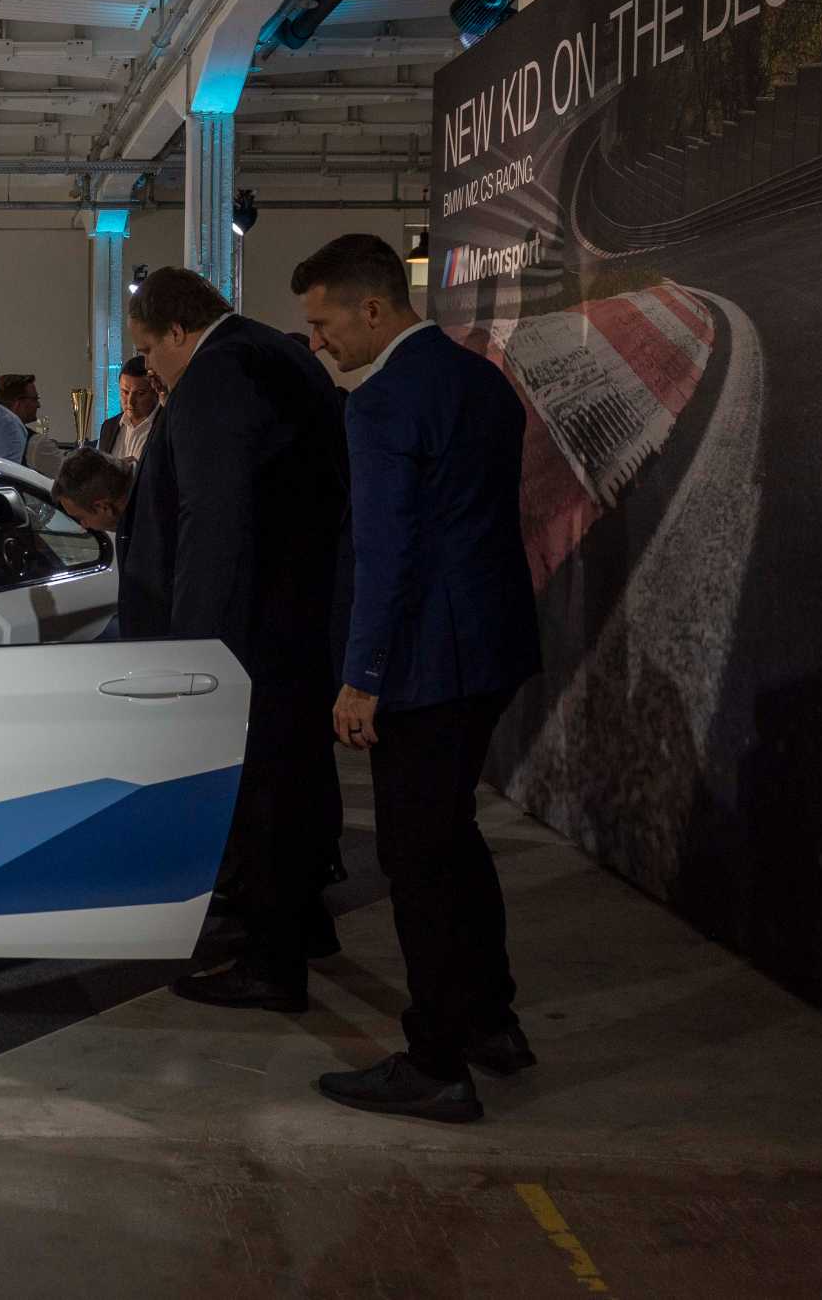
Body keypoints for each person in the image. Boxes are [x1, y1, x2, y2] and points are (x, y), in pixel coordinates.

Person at [297, 234, 541, 1125]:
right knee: (452, 839)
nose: (318, 341)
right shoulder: (481, 379)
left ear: (372, 308)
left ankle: (437, 1059)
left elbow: (387, 552)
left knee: (417, 859)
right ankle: (491, 1024)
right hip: (494, 650)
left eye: (323, 323)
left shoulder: (383, 401)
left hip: (426, 665)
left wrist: (362, 676)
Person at [116, 267, 346, 1019]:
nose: (149, 368)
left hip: (249, 637)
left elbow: (214, 527)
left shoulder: (218, 375)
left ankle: (271, 965)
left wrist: (195, 657)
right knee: (293, 781)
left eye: (151, 350)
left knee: (264, 795)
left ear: (180, 332)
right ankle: (298, 926)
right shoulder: (272, 357)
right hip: (294, 625)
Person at [0, 374, 66, 479]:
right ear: (18, 404)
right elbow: (72, 478)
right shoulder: (36, 445)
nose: (38, 405)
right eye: (35, 399)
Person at [53, 448, 133, 536]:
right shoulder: (145, 466)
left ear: (103, 507)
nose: (84, 525)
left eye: (81, 518)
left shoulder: (142, 539)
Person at [98, 356, 160, 462]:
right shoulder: (108, 427)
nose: (130, 401)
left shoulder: (165, 426)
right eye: (125, 392)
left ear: (155, 391)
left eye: (140, 394)